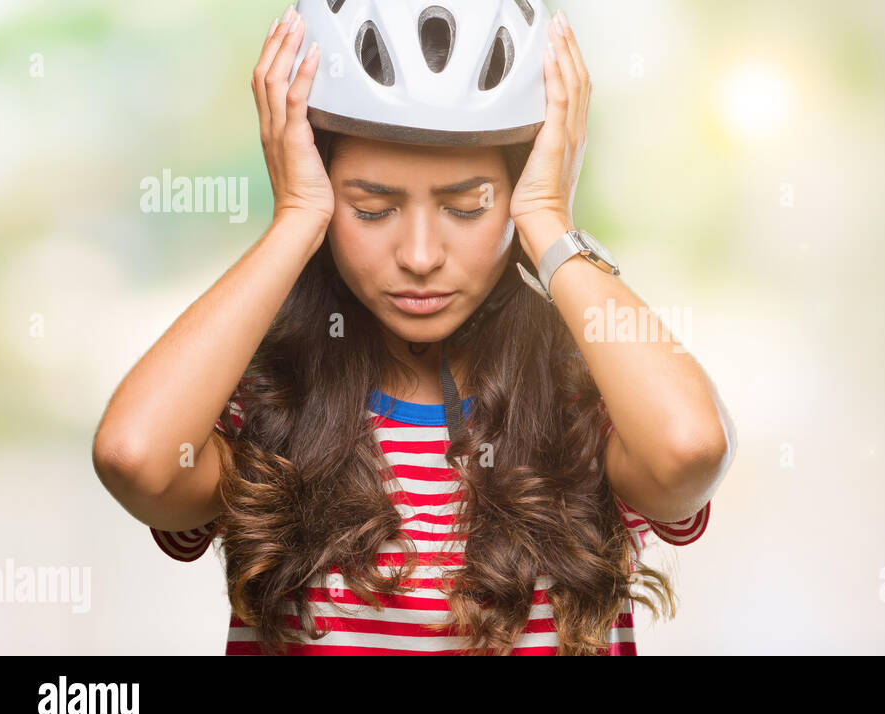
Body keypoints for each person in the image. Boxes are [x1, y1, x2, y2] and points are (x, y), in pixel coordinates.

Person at [92, 0, 735, 655]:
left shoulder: (590, 400)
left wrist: (549, 219)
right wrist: (293, 221)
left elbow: (687, 448)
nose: (421, 256)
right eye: (371, 209)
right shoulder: (264, 405)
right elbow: (135, 458)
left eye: (465, 207)